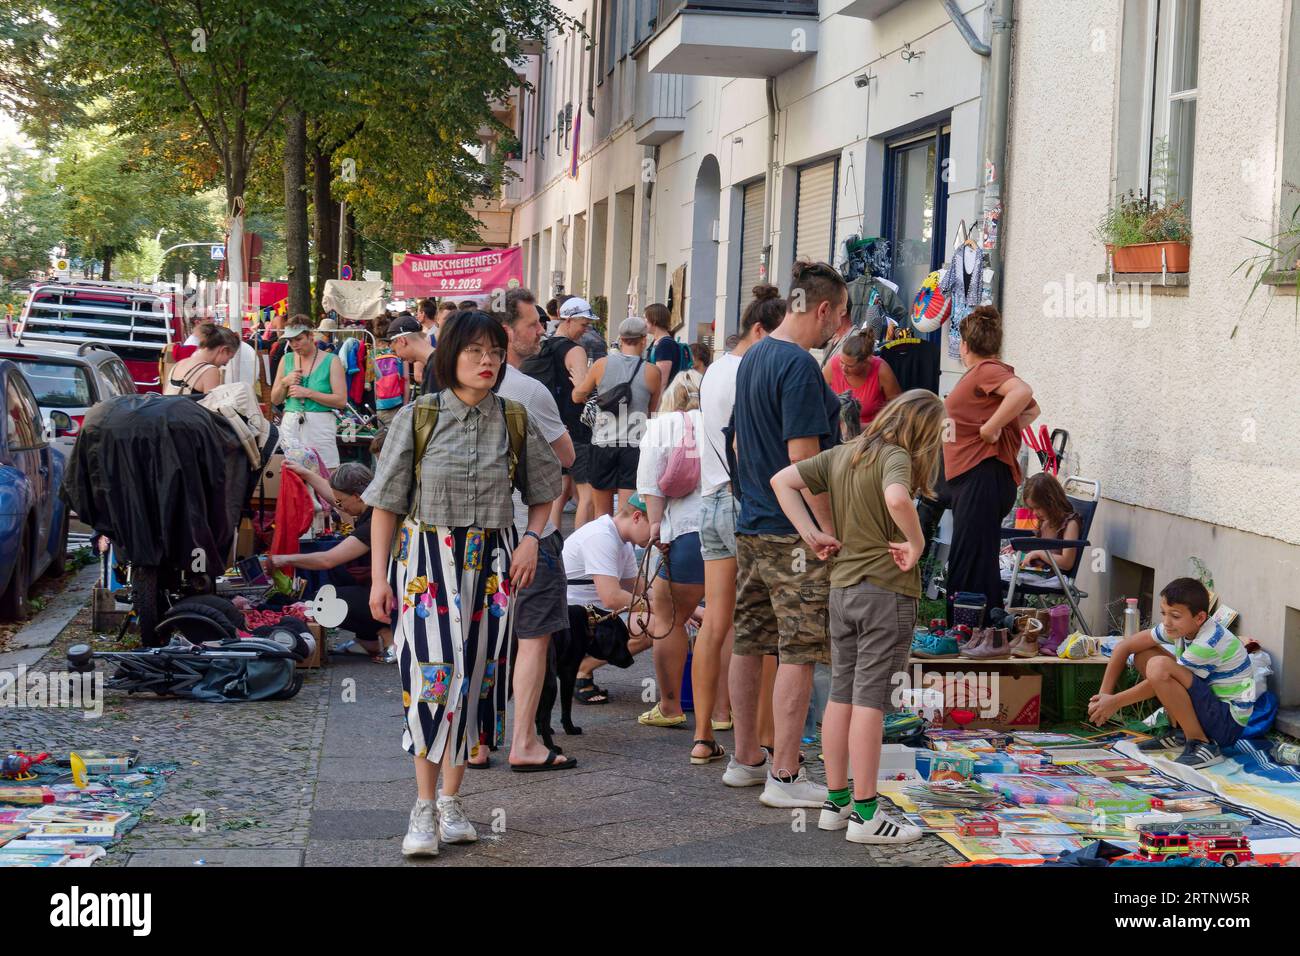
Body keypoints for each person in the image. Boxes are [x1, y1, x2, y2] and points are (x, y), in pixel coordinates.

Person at [364, 310, 562, 857]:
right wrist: (379, 578)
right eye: (476, 350)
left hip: (494, 566)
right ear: (450, 355)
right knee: (431, 680)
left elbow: (547, 489)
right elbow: (385, 504)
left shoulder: (515, 418)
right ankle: (423, 807)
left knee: (475, 681)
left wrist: (532, 538)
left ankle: (453, 801)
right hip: (427, 565)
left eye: (495, 352)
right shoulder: (418, 417)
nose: (487, 361)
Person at [771, 389, 944, 844]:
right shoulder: (896, 457)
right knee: (870, 702)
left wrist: (813, 533)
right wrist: (917, 542)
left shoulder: (844, 453)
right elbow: (896, 499)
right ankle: (866, 815)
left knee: (841, 697)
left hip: (843, 592)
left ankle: (837, 802)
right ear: (923, 433)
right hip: (885, 594)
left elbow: (782, 481)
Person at [726, 260, 845, 809]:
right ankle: (786, 775)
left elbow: (739, 446)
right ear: (820, 308)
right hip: (792, 535)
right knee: (798, 650)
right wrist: (831, 528)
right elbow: (806, 463)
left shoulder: (753, 356)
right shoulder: (799, 366)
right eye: (838, 316)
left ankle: (745, 759)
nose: (838, 329)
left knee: (750, 642)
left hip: (751, 523)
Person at [693, 285, 786, 766]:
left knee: (716, 622)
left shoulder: (714, 373)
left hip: (710, 502)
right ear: (758, 331)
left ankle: (704, 734)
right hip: (744, 504)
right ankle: (765, 737)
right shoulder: (755, 369)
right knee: (763, 629)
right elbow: (744, 445)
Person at [486, 288, 578, 771]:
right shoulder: (528, 390)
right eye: (531, 323)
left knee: (481, 639)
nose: (540, 330)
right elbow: (567, 458)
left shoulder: (450, 389)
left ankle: (479, 742)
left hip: (472, 538)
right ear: (505, 331)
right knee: (533, 638)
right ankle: (523, 741)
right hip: (528, 534)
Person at [1089, 578, 1255, 769]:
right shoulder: (1180, 627)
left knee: (1159, 666)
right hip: (1209, 705)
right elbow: (1125, 646)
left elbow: (1158, 680)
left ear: (1199, 618)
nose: (1167, 622)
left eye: (1175, 616)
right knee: (1143, 655)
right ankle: (1181, 733)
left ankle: (1201, 743)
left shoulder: (1209, 642)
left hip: (1227, 723)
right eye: (1164, 613)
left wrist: (1115, 702)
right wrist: (1103, 697)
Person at [943, 305, 1040, 623]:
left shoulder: (986, 370)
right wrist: (1003, 423)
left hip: (982, 476)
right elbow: (1030, 412)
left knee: (968, 562)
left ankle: (966, 632)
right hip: (978, 478)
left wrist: (991, 427)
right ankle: (985, 629)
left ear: (965, 345)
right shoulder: (984, 375)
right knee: (977, 560)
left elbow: (1023, 393)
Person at [634, 370, 707, 735]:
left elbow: (649, 484)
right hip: (729, 530)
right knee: (724, 624)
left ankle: (670, 705)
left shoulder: (663, 426)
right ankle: (720, 712)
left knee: (669, 618)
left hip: (684, 533)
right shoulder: (720, 420)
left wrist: (656, 528)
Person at [265, 462, 392, 661]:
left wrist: (282, 559)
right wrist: (305, 472)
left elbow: (327, 560)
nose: (339, 507)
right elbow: (335, 497)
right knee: (341, 573)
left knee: (323, 602)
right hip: (385, 589)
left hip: (392, 596)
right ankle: (368, 641)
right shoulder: (371, 506)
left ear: (357, 496)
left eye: (342, 502)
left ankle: (389, 636)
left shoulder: (374, 522)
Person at [563, 497, 656, 704]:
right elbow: (612, 597)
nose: (657, 536)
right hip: (572, 621)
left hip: (589, 614)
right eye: (655, 526)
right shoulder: (601, 536)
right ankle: (580, 668)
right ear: (637, 517)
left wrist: (689, 611)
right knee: (655, 623)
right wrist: (661, 610)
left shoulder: (621, 540)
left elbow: (640, 589)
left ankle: (582, 666)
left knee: (658, 618)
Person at [573, 316, 662, 518]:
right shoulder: (652, 372)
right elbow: (653, 412)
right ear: (643, 340)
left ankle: (604, 548)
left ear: (620, 339)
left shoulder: (601, 365)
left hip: (603, 442)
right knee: (627, 514)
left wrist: (581, 383)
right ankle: (624, 550)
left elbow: (577, 396)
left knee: (602, 514)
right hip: (634, 445)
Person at [526, 296, 597, 529]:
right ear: (568, 320)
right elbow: (581, 392)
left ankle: (553, 542)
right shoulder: (575, 351)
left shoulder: (545, 346)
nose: (586, 330)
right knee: (588, 496)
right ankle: (578, 550)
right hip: (576, 429)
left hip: (553, 427)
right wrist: (590, 385)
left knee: (560, 492)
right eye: (583, 324)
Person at [271, 317, 347, 471]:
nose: (294, 344)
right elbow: (275, 399)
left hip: (320, 424)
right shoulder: (287, 359)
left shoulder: (332, 360)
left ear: (310, 335)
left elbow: (341, 401)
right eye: (290, 340)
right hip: (291, 422)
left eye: (298, 339)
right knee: (292, 475)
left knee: (324, 472)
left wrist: (309, 393)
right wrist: (285, 382)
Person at [823, 327, 901, 432]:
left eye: (850, 366)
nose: (843, 368)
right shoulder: (832, 365)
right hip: (837, 432)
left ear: (866, 361)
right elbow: (816, 398)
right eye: (842, 362)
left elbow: (898, 409)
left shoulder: (881, 370)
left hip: (872, 433)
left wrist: (864, 427)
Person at [1015, 472, 1082, 575]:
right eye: (1031, 508)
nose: (1034, 513)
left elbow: (1067, 563)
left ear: (1051, 501)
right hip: (1036, 572)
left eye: (1037, 507)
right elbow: (1040, 542)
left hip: (1052, 578)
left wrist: (1040, 553)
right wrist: (1018, 544)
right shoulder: (1046, 520)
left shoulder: (1070, 524)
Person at [164, 323, 241, 395]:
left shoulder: (180, 363)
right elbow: (212, 406)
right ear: (224, 350)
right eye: (229, 357)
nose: (226, 363)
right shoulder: (209, 371)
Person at [386, 314, 437, 397]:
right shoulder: (436, 363)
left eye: (394, 351)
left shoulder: (436, 367)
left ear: (402, 341)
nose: (398, 357)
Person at [645, 302, 687, 393]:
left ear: (654, 321)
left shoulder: (665, 345)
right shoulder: (658, 342)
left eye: (646, 318)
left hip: (663, 400)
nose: (644, 322)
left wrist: (655, 406)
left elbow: (662, 382)